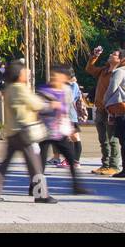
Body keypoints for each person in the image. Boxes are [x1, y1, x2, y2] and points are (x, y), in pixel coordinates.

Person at [0, 60, 56, 203]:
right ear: (19, 74)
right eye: (25, 71)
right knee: (34, 164)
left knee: (5, 164)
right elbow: (35, 104)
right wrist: (50, 105)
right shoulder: (20, 88)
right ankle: (41, 194)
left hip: (12, 131)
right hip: (24, 131)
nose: (27, 73)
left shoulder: (9, 88)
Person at [36, 65, 88, 195]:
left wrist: (68, 126)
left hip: (59, 131)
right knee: (40, 163)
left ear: (64, 78)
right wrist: (49, 106)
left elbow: (66, 109)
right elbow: (37, 107)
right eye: (52, 75)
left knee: (71, 158)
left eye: (57, 75)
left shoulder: (66, 90)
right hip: (44, 131)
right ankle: (35, 188)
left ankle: (77, 186)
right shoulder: (44, 90)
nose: (54, 78)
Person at [85, 46, 123, 176]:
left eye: (114, 53)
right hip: (100, 108)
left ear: (120, 59)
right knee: (103, 139)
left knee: (112, 139)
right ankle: (105, 164)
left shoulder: (121, 72)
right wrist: (94, 56)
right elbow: (89, 69)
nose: (111, 54)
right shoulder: (104, 70)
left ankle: (114, 165)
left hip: (111, 109)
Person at [105, 56, 125, 178]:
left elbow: (112, 88)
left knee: (124, 141)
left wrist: (105, 101)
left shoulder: (119, 72)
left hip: (122, 111)